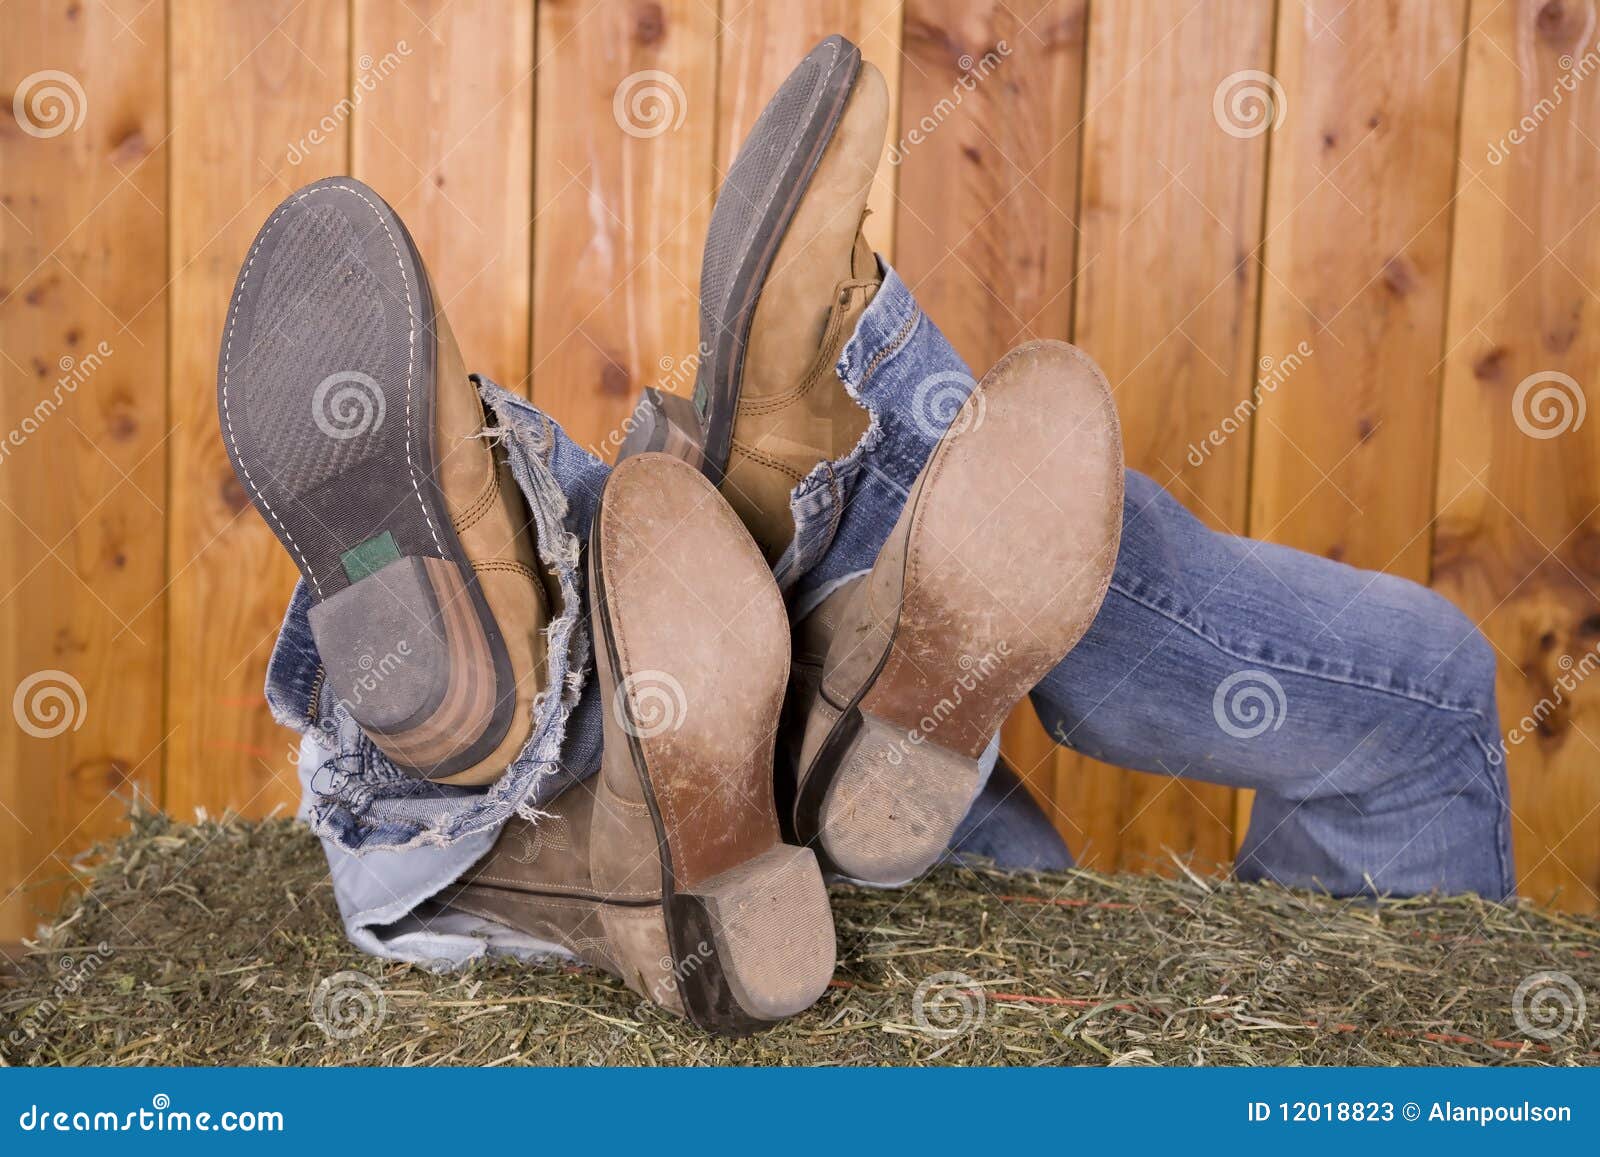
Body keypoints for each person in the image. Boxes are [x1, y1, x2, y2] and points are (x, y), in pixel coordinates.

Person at [222, 37, 1512, 1036]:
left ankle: (751, 578)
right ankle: (847, 587)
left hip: (791, 885)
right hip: (1025, 957)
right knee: (1415, 714)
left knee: (986, 859)